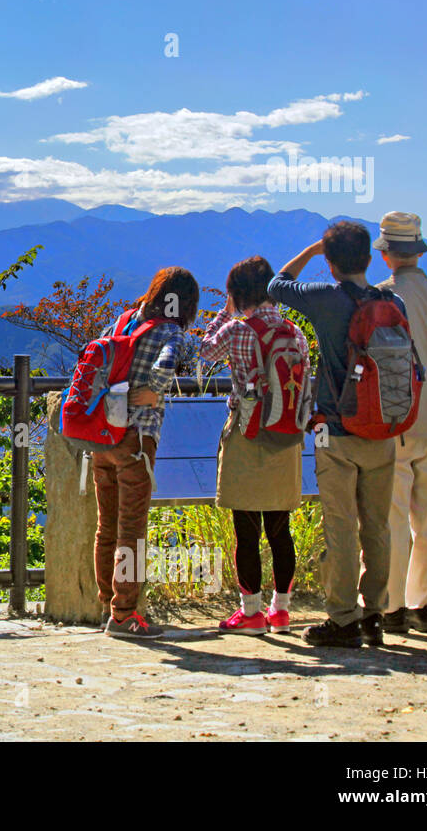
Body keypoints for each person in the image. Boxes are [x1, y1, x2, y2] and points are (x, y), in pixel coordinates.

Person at [268, 221, 404, 648]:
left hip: (336, 432)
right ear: (368, 259)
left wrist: (310, 251)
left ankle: (343, 618)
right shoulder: (391, 300)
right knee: (377, 526)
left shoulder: (325, 299)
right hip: (383, 431)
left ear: (330, 264)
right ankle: (374, 614)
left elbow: (276, 284)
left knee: (341, 526)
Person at [200, 256, 308, 635]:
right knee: (281, 529)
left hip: (247, 433)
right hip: (286, 437)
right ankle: (281, 612)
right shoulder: (295, 332)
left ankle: (251, 613)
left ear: (238, 293)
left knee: (246, 530)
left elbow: (205, 352)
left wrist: (223, 313)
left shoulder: (238, 329)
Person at [96, 266, 198, 640]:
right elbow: (168, 362)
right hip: (137, 441)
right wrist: (156, 389)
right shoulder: (169, 330)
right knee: (131, 532)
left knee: (106, 528)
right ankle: (124, 615)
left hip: (103, 438)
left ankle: (105, 606)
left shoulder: (120, 322)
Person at [374, 212, 427, 634]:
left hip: (398, 423)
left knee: (392, 516)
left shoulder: (383, 298)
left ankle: (391, 607)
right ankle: (425, 603)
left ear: (387, 255)